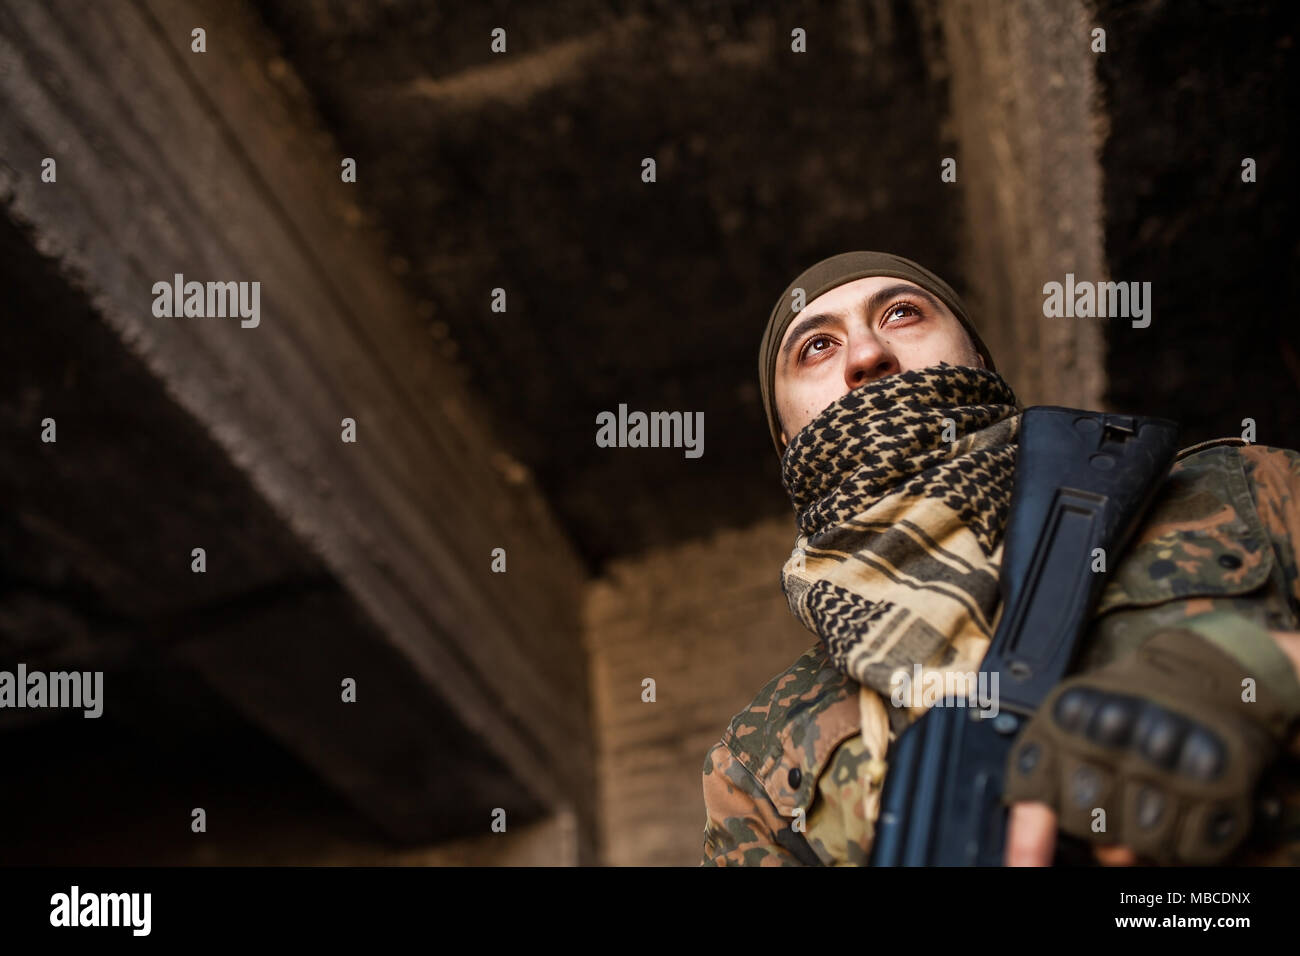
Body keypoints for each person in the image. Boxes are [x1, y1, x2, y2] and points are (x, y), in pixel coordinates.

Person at [700, 250, 1300, 866]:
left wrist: (1261, 668)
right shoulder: (754, 768)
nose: (866, 355)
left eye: (902, 313)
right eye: (816, 347)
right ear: (787, 438)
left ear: (979, 359)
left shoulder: (1244, 491)